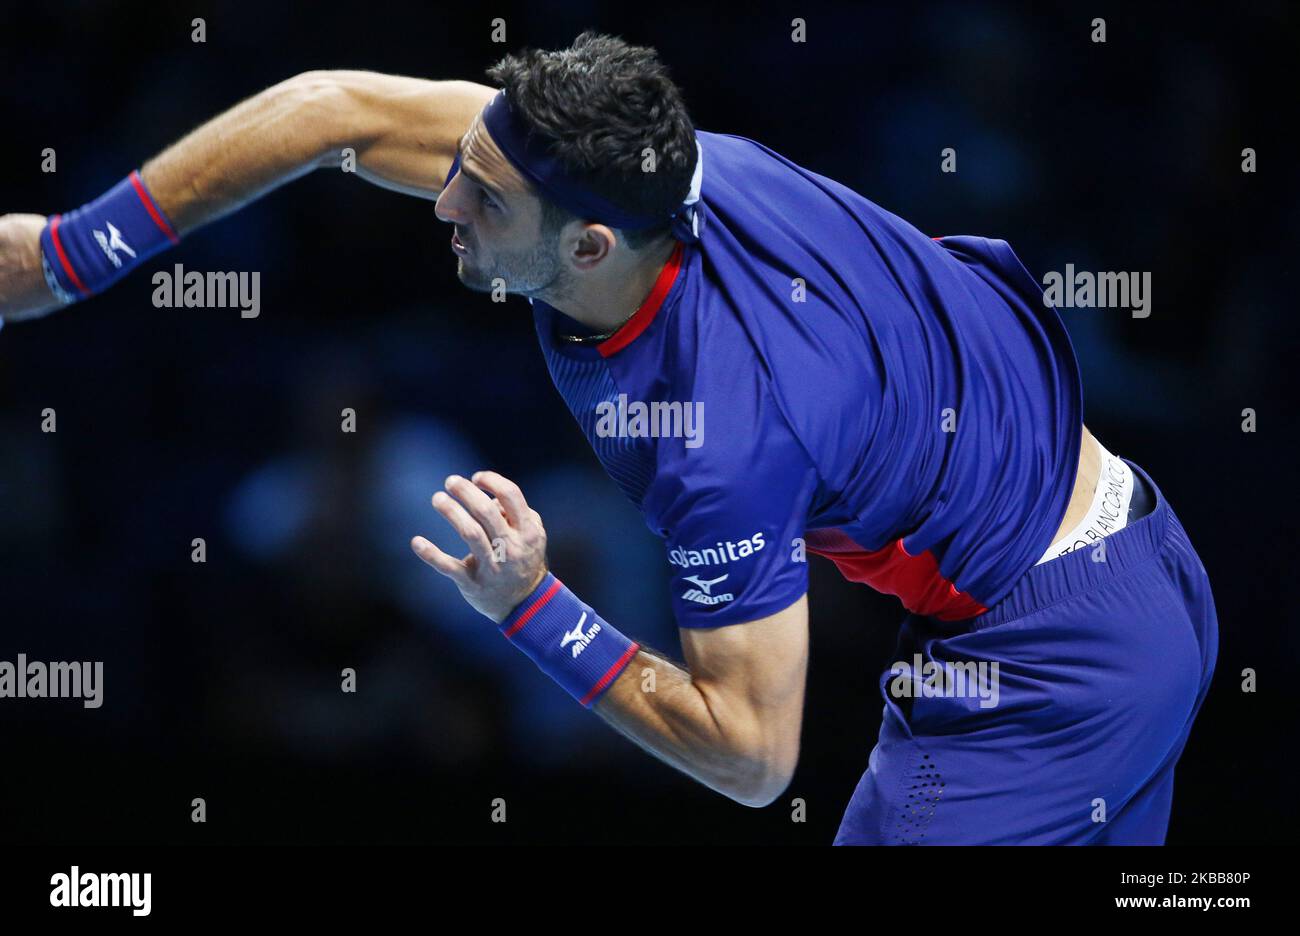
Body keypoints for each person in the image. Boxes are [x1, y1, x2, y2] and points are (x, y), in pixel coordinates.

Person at [0, 31, 1217, 844]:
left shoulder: (727, 438)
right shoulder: (617, 167)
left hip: (1049, 666)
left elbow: (751, 759)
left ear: (587, 249)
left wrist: (531, 606)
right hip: (1119, 557)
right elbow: (333, 113)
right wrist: (64, 257)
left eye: (482, 198)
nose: (442, 200)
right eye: (468, 163)